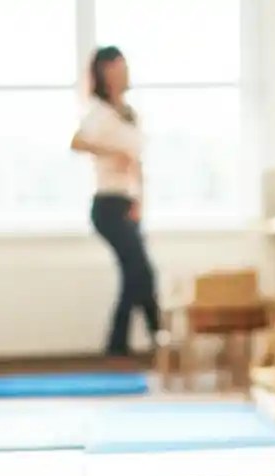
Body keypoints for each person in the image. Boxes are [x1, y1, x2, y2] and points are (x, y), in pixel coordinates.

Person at [70, 46, 161, 358]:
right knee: (140, 271)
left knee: (137, 273)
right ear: (102, 74)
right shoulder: (98, 112)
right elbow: (77, 142)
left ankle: (122, 345)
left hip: (128, 201)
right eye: (113, 69)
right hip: (107, 204)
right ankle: (153, 337)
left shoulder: (129, 114)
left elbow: (139, 163)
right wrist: (112, 153)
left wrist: (140, 201)